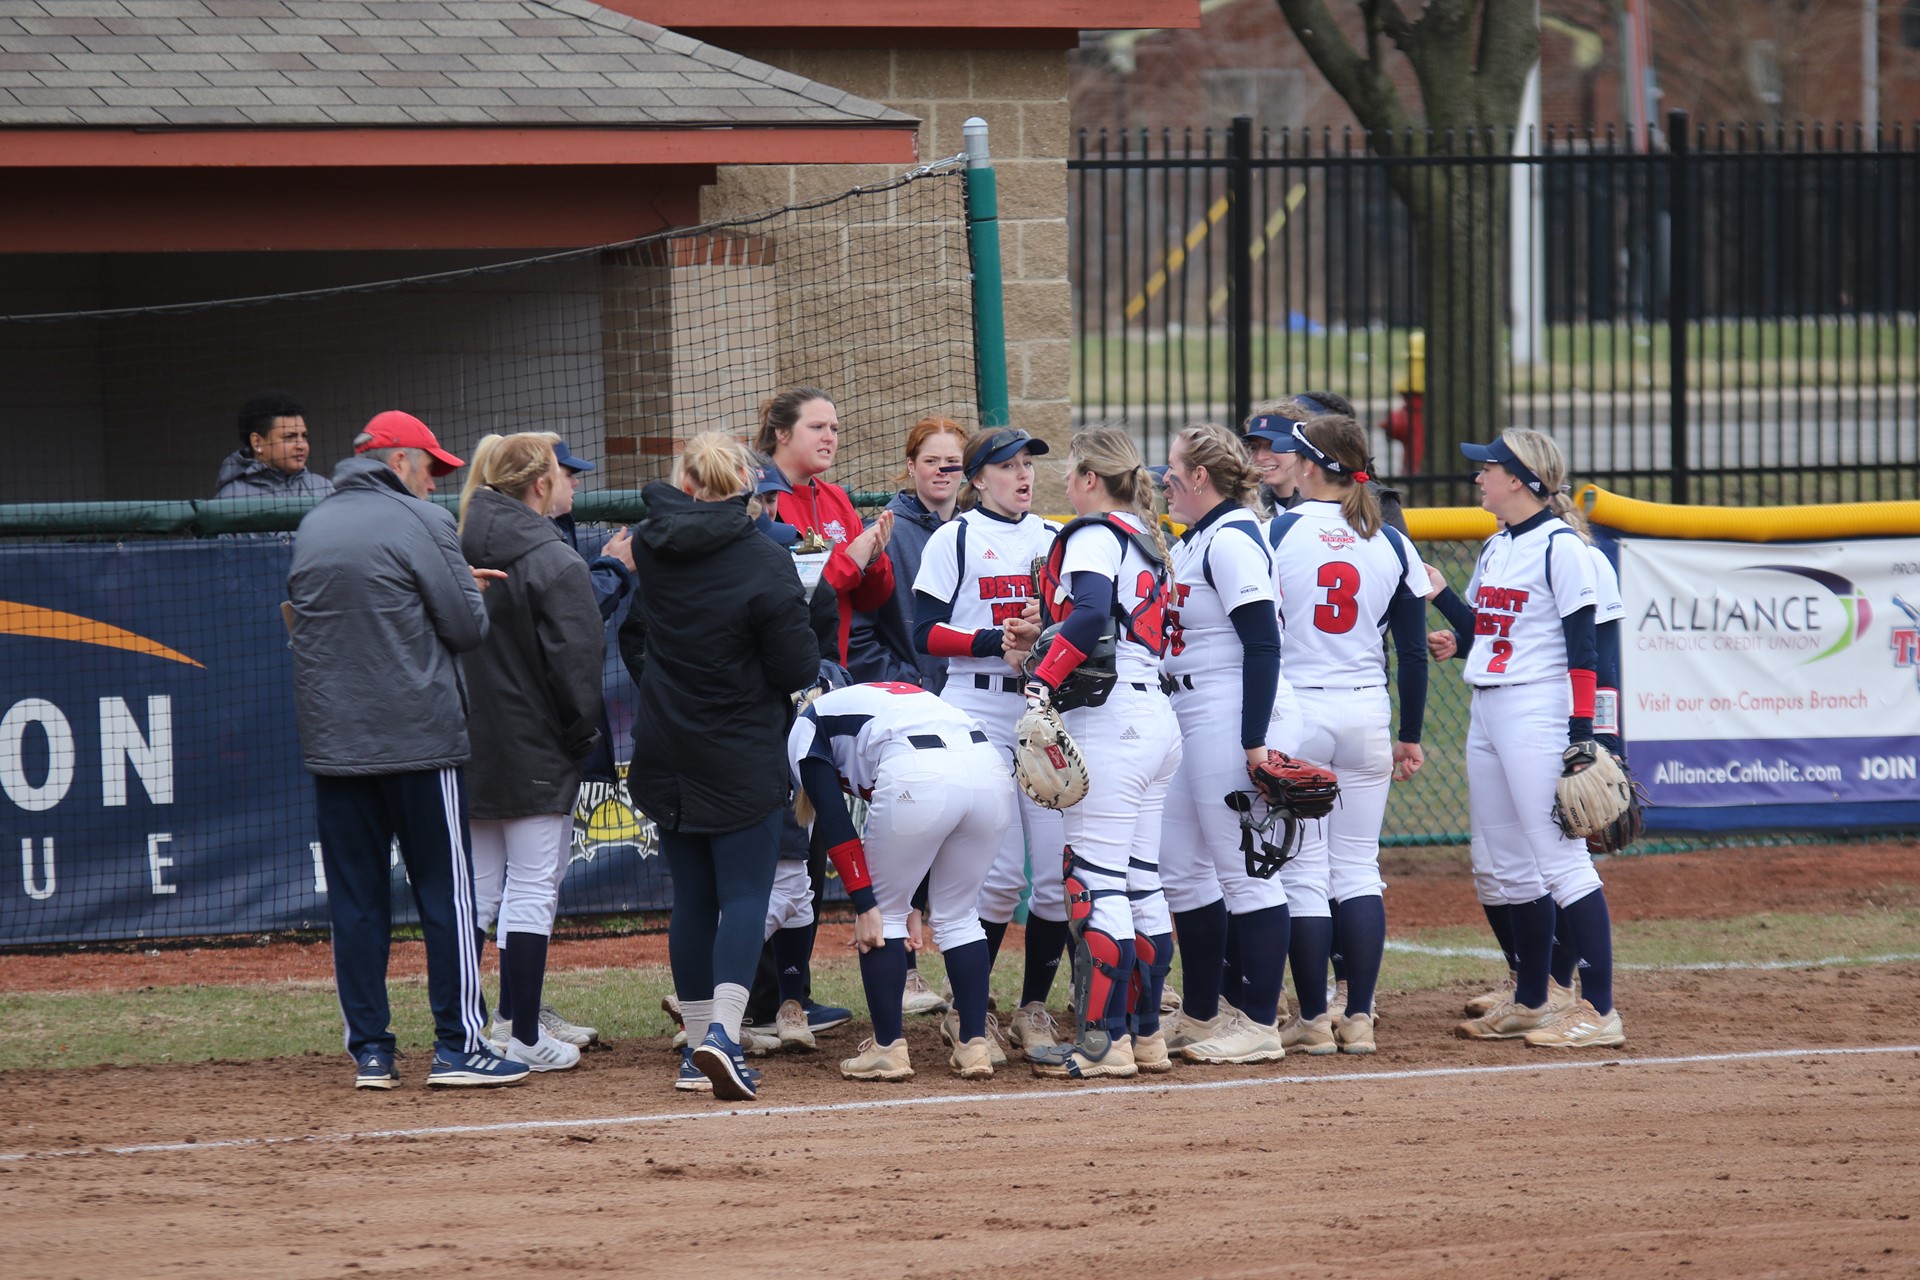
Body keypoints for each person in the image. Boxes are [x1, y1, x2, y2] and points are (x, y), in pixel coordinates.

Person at [288, 409, 526, 1089]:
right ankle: (458, 1047)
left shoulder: (312, 525)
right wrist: (463, 591)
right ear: (398, 463)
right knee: (445, 896)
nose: (436, 483)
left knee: (356, 902)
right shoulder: (420, 522)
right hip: (419, 743)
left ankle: (370, 1052)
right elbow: (466, 627)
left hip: (336, 749)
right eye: (430, 468)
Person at [619, 431, 819, 1100]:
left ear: (688, 480)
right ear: (744, 480)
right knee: (742, 897)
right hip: (738, 746)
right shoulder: (765, 561)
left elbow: (638, 633)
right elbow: (796, 668)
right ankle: (723, 1039)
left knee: (693, 900)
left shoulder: (650, 544)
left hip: (667, 743)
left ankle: (697, 1047)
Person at [1425, 428, 1625, 1049]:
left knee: (1562, 862)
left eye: (1489, 468)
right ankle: (1535, 999)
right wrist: (1443, 600)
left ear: (1520, 479)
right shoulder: (1495, 547)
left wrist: (1586, 738)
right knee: (1503, 868)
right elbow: (1490, 632)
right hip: (1488, 708)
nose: (1478, 476)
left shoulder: (1562, 549)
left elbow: (1586, 650)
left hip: (1538, 709)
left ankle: (1597, 1010)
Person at [1263, 414, 1430, 1055]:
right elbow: (1412, 653)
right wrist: (1410, 735)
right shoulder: (1389, 538)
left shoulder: (1280, 530)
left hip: (1299, 711)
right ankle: (1357, 1016)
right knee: (1358, 868)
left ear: (1309, 466)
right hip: (1365, 711)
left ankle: (1311, 1020)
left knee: (1304, 870)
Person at [1023, 426, 1182, 1080]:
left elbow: (1088, 615)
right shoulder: (1148, 537)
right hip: (1155, 716)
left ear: (1091, 477)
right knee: (1141, 882)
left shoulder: (1093, 533)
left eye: (1071, 470)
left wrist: (1043, 678)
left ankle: (1105, 1039)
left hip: (1109, 718)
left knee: (1094, 883)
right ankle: (1145, 1037)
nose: (1065, 480)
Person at [910, 427, 1063, 1058]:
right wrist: (989, 641)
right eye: (1007, 467)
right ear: (978, 479)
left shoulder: (1054, 537)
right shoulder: (957, 537)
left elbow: (1076, 616)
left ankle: (1034, 1008)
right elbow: (923, 630)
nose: (1023, 476)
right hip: (973, 703)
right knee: (998, 877)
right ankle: (968, 1008)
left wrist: (1043, 632)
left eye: (1027, 465)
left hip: (1039, 706)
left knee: (1054, 875)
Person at [456, 432, 605, 1073]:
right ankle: (523, 1036)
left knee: (480, 895)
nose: (574, 487)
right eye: (565, 477)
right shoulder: (555, 560)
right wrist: (579, 741)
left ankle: (468, 1031)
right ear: (540, 484)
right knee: (531, 893)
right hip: (536, 749)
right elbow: (577, 673)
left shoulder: (455, 544)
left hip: (466, 745)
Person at [788, 681, 1016, 1082]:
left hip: (919, 771)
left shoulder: (807, 725)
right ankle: (974, 1044)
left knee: (884, 918)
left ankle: (888, 1049)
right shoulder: (884, 702)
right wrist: (915, 901)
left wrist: (865, 904)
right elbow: (938, 814)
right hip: (989, 768)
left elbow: (835, 821)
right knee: (960, 916)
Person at [1153, 424, 1289, 1066]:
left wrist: (1255, 742)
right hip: (1190, 708)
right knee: (1180, 867)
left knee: (1248, 873)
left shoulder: (1232, 538)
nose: (1165, 481)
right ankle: (1205, 1011)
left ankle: (1259, 1021)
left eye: (1174, 470)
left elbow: (1263, 642)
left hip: (1228, 710)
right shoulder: (1198, 537)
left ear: (1201, 476)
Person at [754, 386, 895, 667]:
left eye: (834, 428)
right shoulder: (761, 497)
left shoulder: (836, 497)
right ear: (782, 433)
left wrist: (874, 558)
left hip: (831, 666)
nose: (829, 437)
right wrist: (854, 562)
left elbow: (871, 600)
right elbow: (799, 586)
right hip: (775, 666)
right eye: (817, 427)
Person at [847, 417, 966, 691]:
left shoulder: (981, 531)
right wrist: (910, 682)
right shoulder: (883, 535)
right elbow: (856, 634)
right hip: (913, 702)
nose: (942, 470)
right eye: (931, 461)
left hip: (980, 697)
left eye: (951, 460)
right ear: (911, 466)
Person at [548, 438, 636, 622]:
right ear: (544, 481)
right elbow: (576, 613)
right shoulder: (534, 540)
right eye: (568, 474)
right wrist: (614, 565)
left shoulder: (555, 527)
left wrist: (609, 565)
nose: (575, 482)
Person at [214, 391, 333, 500]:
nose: (301, 445)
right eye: (289, 437)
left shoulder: (324, 488)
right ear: (257, 442)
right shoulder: (232, 497)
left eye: (304, 436)